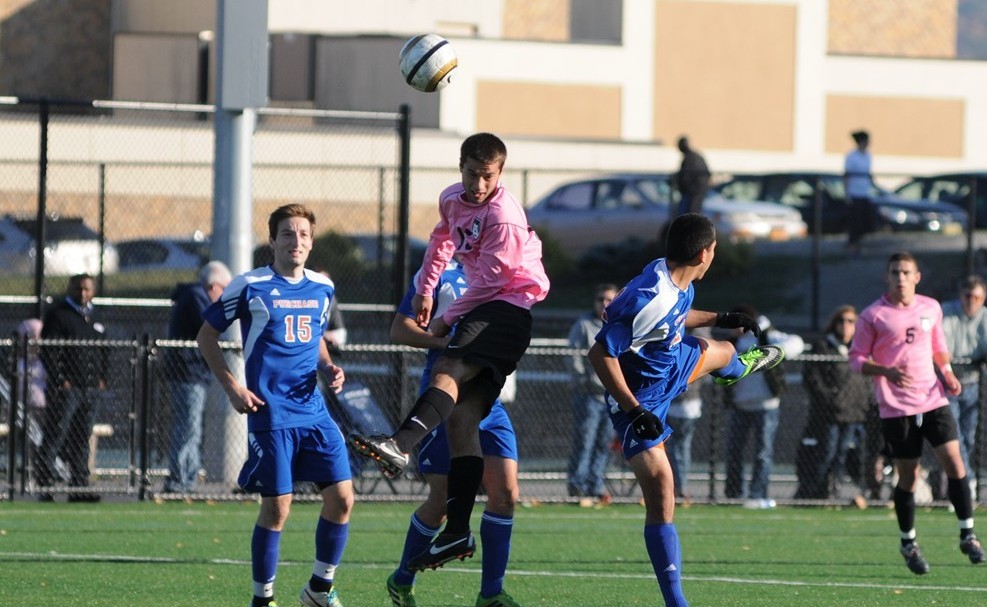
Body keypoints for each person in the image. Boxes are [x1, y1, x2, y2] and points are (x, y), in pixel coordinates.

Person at [350, 132, 550, 570]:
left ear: (500, 173)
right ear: (461, 168)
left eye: (488, 176)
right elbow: (441, 238)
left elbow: (494, 281)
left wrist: (445, 319)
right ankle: (458, 530)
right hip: (490, 306)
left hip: (507, 306)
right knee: (462, 418)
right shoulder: (452, 199)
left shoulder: (504, 217)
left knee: (449, 367)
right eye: (472, 174)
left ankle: (400, 443)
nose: (479, 184)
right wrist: (425, 289)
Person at [587, 213, 785, 607]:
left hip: (673, 364)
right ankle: (676, 602)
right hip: (640, 398)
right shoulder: (650, 295)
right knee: (663, 489)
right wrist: (634, 410)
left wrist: (720, 318)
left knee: (724, 349)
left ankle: (735, 370)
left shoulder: (674, 276)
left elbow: (676, 315)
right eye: (714, 249)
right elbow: (600, 353)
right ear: (704, 253)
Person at [197, 204, 351, 607]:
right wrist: (233, 387)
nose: (295, 241)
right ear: (272, 241)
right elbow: (206, 335)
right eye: (287, 233)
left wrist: (328, 366)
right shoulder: (250, 285)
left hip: (314, 411)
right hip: (272, 413)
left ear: (311, 243)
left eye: (303, 234)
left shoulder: (323, 287)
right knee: (278, 508)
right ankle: (262, 600)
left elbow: (315, 336)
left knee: (342, 498)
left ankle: (319, 589)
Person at [386, 258, 520, 607]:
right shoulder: (437, 272)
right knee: (443, 501)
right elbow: (400, 330)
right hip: (446, 398)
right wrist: (449, 345)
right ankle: (402, 579)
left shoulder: (502, 274)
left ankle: (491, 594)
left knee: (506, 493)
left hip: (488, 401)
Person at [849, 252, 985, 574]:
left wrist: (947, 373)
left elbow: (938, 346)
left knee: (956, 463)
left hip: (933, 400)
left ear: (916, 277)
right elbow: (856, 359)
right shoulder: (873, 315)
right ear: (887, 276)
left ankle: (968, 534)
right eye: (895, 272)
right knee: (908, 476)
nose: (900, 277)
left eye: (906, 272)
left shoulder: (930, 307)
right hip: (896, 407)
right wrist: (886, 371)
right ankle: (908, 542)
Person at [721, 304, 805, 509]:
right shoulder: (733, 343)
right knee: (733, 451)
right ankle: (734, 494)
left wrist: (772, 353)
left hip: (766, 405)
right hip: (740, 405)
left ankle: (757, 494)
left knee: (762, 453)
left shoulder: (767, 336)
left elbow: (797, 343)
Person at [36, 273, 108, 503]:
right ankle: (45, 484)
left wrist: (102, 378)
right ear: (70, 289)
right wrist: (60, 380)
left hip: (91, 387)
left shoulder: (96, 316)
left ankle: (79, 486)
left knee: (82, 436)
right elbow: (49, 351)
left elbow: (105, 350)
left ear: (93, 291)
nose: (83, 293)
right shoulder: (58, 315)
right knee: (56, 433)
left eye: (87, 289)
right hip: (67, 388)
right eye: (78, 289)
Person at [162, 260, 232, 494]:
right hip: (187, 371)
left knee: (192, 427)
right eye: (224, 290)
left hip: (194, 372)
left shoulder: (194, 296)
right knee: (188, 427)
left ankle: (188, 479)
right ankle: (179, 479)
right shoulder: (195, 297)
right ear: (213, 286)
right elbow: (210, 327)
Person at [796, 305, 873, 502]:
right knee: (826, 453)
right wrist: (830, 399)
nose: (845, 325)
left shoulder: (861, 349)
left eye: (851, 321)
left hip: (854, 413)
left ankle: (833, 492)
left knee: (843, 455)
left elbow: (865, 381)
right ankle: (816, 493)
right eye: (841, 321)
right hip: (829, 414)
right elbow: (813, 378)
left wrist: (865, 404)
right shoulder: (824, 346)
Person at [565, 283, 617, 503]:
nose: (604, 303)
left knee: (605, 442)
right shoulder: (584, 325)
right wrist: (584, 381)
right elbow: (573, 356)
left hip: (612, 397)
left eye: (609, 300)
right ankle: (578, 484)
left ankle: (596, 484)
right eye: (600, 299)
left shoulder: (619, 325)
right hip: (589, 396)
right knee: (585, 441)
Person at [939, 275, 987, 495]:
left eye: (976, 297)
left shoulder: (984, 317)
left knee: (968, 436)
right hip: (948, 384)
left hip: (973, 384)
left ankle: (965, 479)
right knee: (954, 435)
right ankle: (964, 481)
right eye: (968, 296)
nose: (971, 301)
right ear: (961, 295)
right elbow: (943, 348)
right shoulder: (946, 312)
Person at [665, 328, 711, 502]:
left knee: (678, 447)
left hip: (685, 402)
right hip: (677, 402)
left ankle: (679, 487)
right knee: (678, 447)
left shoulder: (696, 335)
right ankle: (677, 486)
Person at [16, 318, 46, 486]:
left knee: (38, 441)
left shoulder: (43, 362)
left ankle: (38, 474)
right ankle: (26, 474)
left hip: (40, 407)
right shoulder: (20, 362)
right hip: (22, 406)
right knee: (26, 442)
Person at [843, 129, 875, 256]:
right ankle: (852, 244)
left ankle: (859, 243)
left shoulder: (868, 156)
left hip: (864, 193)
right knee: (854, 220)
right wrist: (847, 194)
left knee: (864, 220)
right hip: (854, 193)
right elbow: (846, 175)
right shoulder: (851, 156)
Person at [673, 136, 711, 218]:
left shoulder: (689, 158)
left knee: (687, 216)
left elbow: (685, 177)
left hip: (691, 192)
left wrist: (684, 187)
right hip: (698, 191)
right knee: (693, 214)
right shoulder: (697, 156)